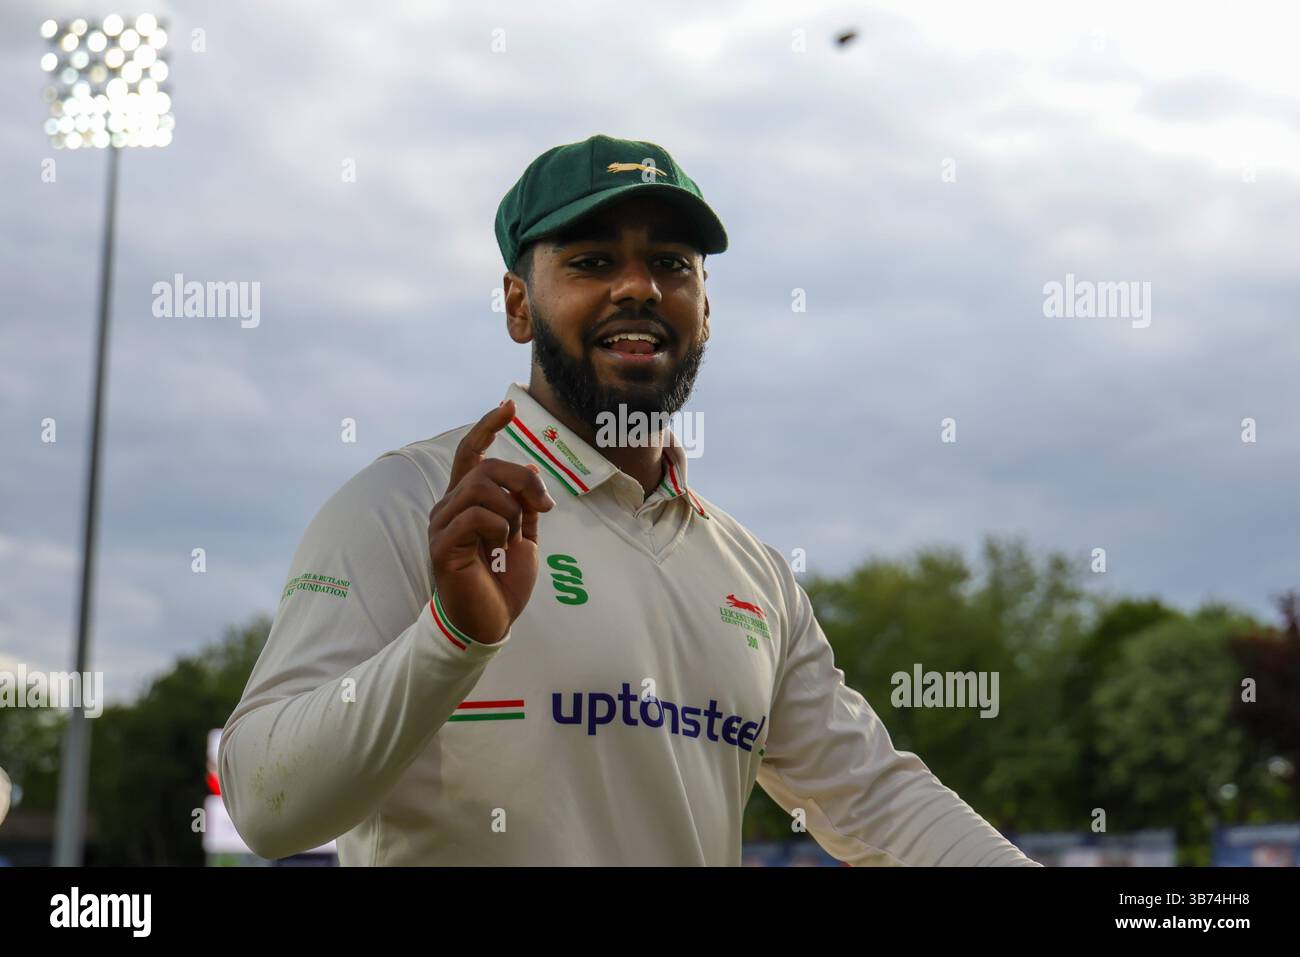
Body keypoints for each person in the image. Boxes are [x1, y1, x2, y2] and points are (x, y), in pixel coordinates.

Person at [219, 133, 1039, 866]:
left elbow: (877, 801)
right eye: (591, 260)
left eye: (673, 263)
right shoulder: (407, 503)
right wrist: (451, 637)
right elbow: (263, 806)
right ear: (517, 303)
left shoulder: (753, 574)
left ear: (706, 310)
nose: (639, 286)